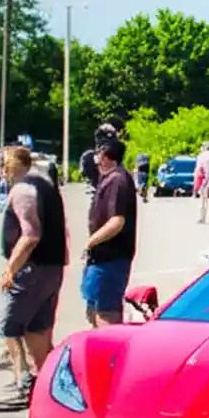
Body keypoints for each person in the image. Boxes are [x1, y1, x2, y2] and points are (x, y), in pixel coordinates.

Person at [0, 146, 68, 401]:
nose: (3, 170)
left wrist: (10, 269)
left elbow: (30, 235)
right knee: (38, 329)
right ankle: (49, 384)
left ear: (17, 165)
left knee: (10, 327)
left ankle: (22, 379)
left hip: (32, 268)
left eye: (6, 164)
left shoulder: (24, 190)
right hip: (52, 265)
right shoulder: (46, 185)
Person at [82, 137, 138, 328]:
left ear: (105, 157)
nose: (95, 158)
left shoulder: (118, 180)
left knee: (107, 313)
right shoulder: (109, 178)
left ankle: (107, 354)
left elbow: (117, 221)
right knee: (94, 308)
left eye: (98, 153)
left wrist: (92, 241)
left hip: (111, 258)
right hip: (101, 258)